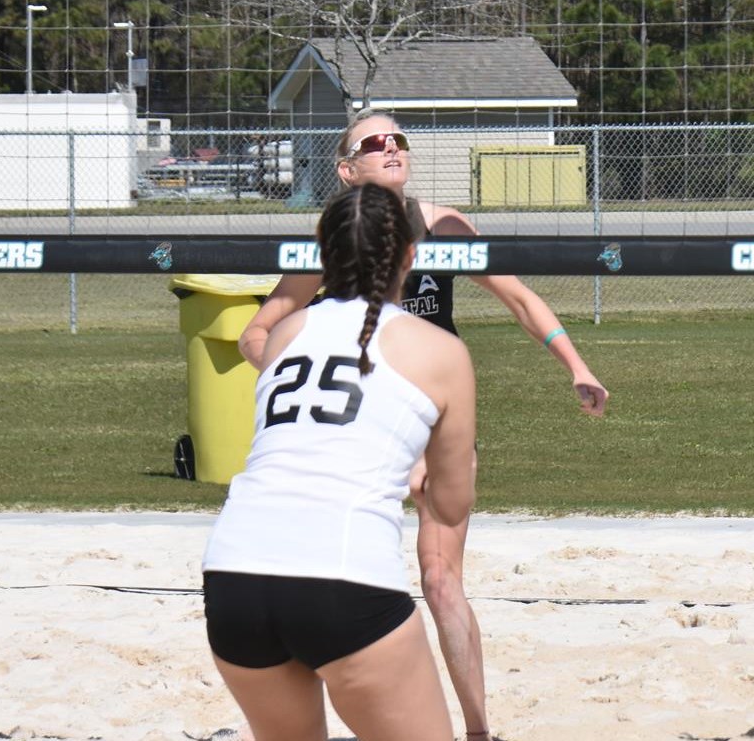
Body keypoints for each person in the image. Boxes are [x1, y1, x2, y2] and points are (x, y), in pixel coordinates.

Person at [239, 110, 609, 741]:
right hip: (355, 427)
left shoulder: (442, 224)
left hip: (432, 419)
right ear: (346, 168)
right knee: (334, 570)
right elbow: (257, 332)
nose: (391, 149)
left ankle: (477, 729)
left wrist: (575, 363)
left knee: (440, 580)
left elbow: (519, 297)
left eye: (399, 140)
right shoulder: (341, 237)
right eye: (374, 143)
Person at [204, 183, 476, 740]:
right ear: (409, 255)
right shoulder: (438, 349)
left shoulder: (286, 332)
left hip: (234, 575)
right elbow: (449, 506)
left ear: (324, 259)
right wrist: (423, 479)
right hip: (342, 575)